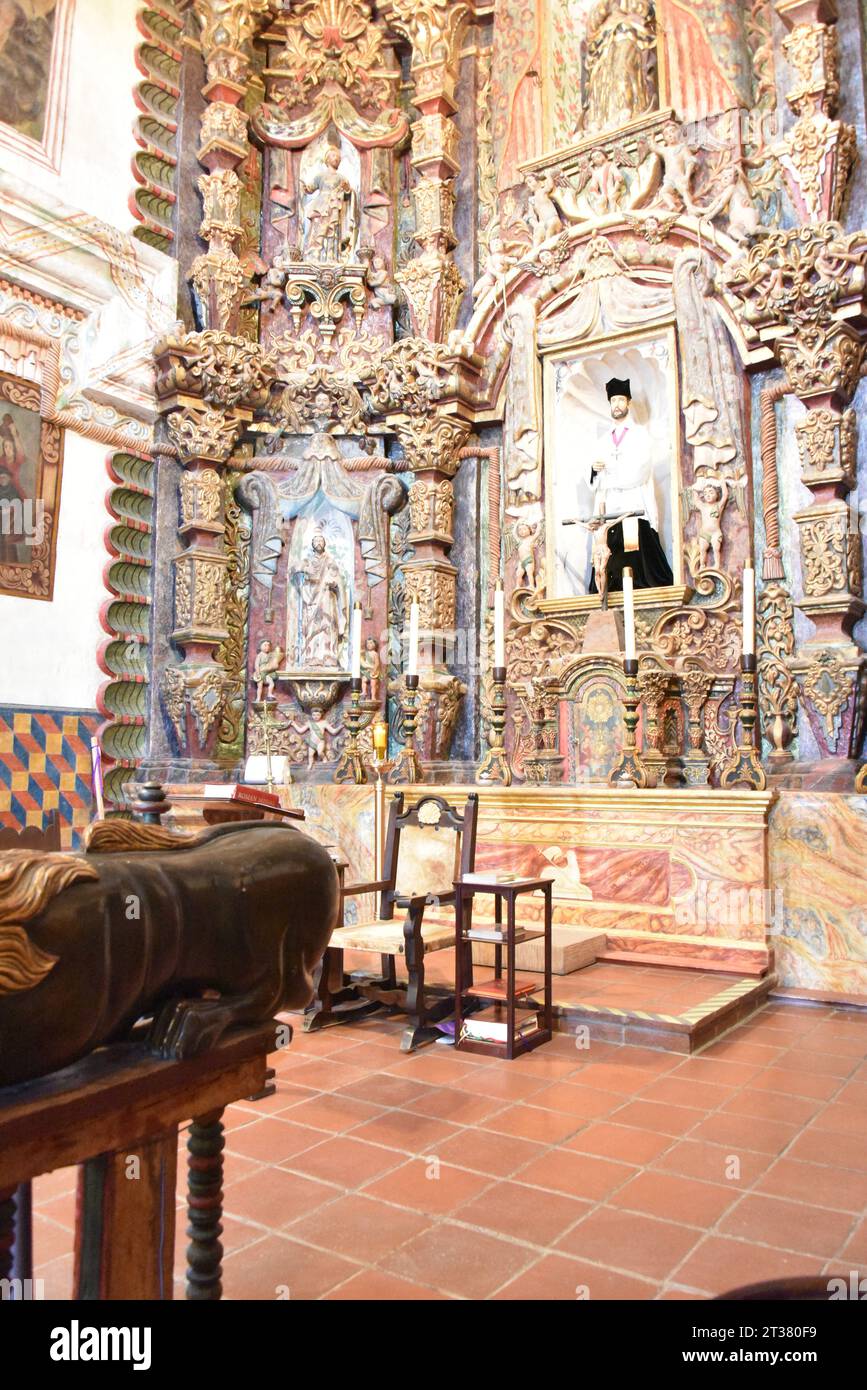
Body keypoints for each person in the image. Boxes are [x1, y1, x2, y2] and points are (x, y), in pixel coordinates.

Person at [587, 377, 673, 592]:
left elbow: (641, 470)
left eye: (620, 400)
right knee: (609, 553)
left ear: (629, 403)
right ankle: (611, 587)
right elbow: (594, 481)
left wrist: (611, 476)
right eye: (613, 400)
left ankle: (640, 585)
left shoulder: (640, 434)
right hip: (610, 505)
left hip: (633, 500)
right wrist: (594, 471)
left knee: (638, 553)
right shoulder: (603, 440)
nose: (616, 404)